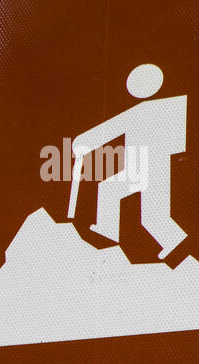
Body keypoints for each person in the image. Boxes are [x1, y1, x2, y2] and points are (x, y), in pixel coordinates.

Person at [67, 63, 187, 259]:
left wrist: (83, 142)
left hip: (148, 165)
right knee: (125, 199)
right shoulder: (171, 106)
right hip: (149, 164)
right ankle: (108, 230)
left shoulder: (148, 110)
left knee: (148, 212)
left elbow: (108, 129)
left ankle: (175, 244)